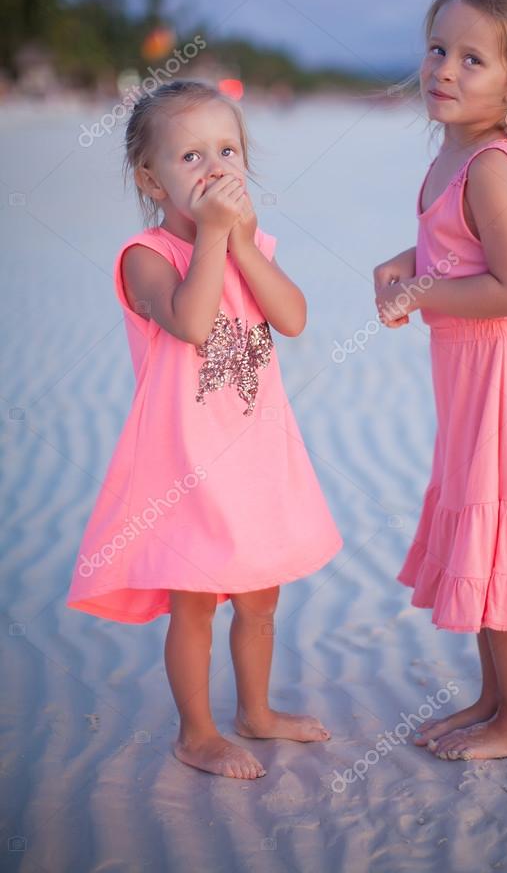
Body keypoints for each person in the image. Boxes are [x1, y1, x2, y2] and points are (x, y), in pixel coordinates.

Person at [66, 80, 343, 779]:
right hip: (186, 463)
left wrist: (243, 241)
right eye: (191, 156)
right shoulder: (146, 256)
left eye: (227, 150)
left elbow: (293, 316)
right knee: (193, 603)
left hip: (256, 451)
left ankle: (256, 710)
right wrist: (217, 235)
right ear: (150, 178)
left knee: (260, 596)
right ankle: (196, 731)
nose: (215, 167)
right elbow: (191, 322)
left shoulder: (254, 241)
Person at [373, 0, 507, 761]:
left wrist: (421, 290)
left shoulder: (494, 165)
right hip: (472, 383)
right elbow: (448, 245)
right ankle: (494, 697)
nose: (444, 69)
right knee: (481, 529)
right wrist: (401, 267)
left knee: (500, 542)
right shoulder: (453, 153)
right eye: (437, 50)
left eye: (471, 58)